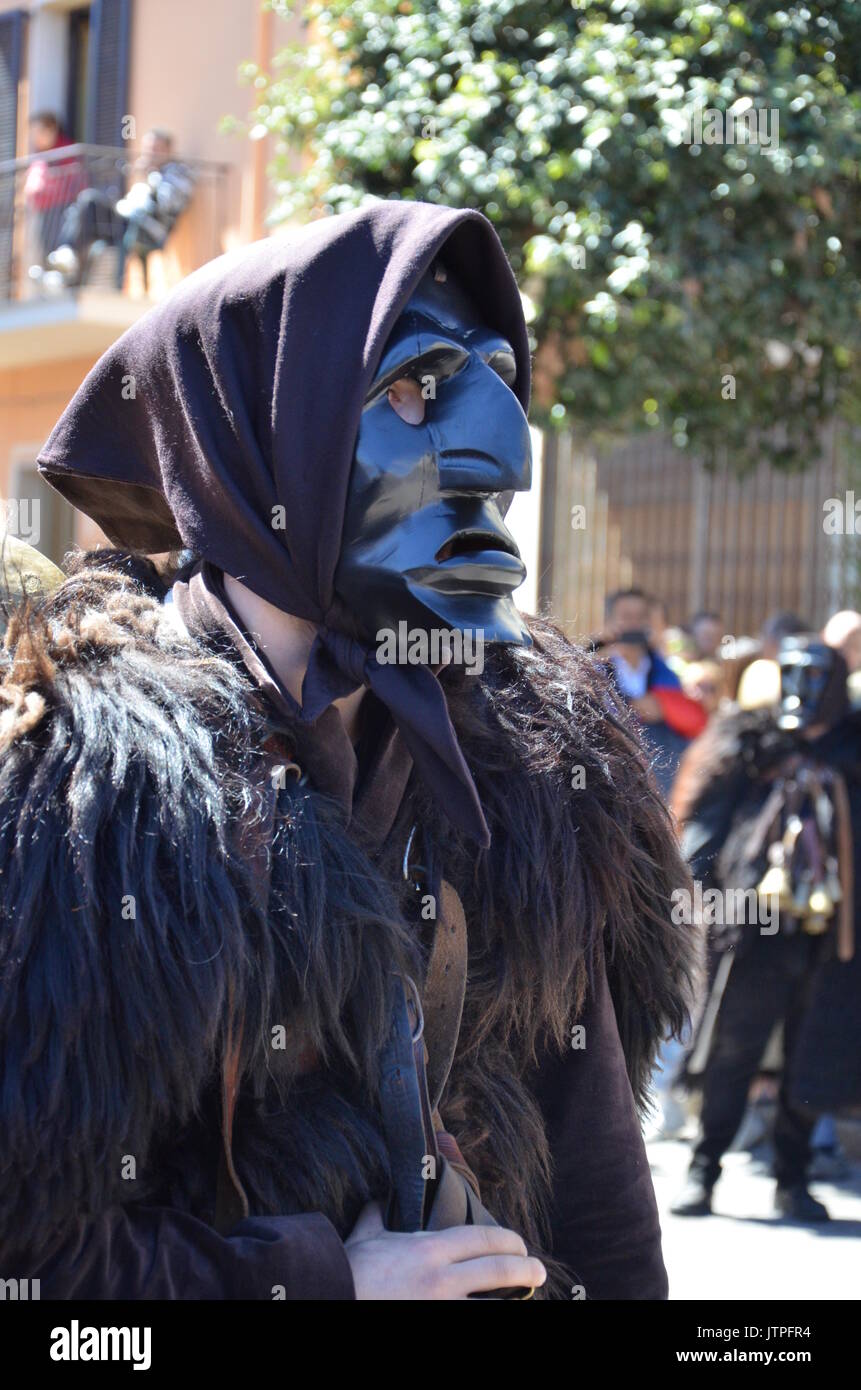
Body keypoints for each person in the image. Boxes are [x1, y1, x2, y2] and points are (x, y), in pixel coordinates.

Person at [0, 202, 693, 1300]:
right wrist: (323, 1284)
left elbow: (604, 1206)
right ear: (261, 436)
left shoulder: (535, 771)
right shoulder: (86, 797)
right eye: (413, 388)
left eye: (498, 383)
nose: (496, 452)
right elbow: (30, 1265)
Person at [670, 635, 859, 1222]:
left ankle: (793, 1179)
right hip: (755, 928)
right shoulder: (749, 744)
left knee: (814, 1051)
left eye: (816, 677)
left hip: (836, 935)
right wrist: (696, 891)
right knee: (733, 1049)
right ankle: (704, 1170)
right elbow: (707, 822)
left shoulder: (854, 747)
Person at [595, 587, 707, 797]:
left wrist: (664, 707)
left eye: (641, 617)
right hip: (611, 787)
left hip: (659, 787)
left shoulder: (666, 673)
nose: (634, 624)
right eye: (626, 616)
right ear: (609, 623)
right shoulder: (594, 670)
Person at [47, 128, 194, 288]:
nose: (150, 153)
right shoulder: (152, 175)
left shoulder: (176, 173)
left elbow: (168, 203)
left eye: (155, 148)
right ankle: (67, 268)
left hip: (144, 229)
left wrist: (151, 177)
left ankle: (67, 262)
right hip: (129, 222)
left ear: (168, 150)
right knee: (80, 212)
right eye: (148, 149)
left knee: (90, 200)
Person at [24, 111, 86, 269]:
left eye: (38, 131)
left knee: (59, 253)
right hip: (44, 211)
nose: (34, 137)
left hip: (62, 210)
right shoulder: (41, 154)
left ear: (51, 129)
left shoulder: (67, 152)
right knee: (46, 254)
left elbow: (77, 181)